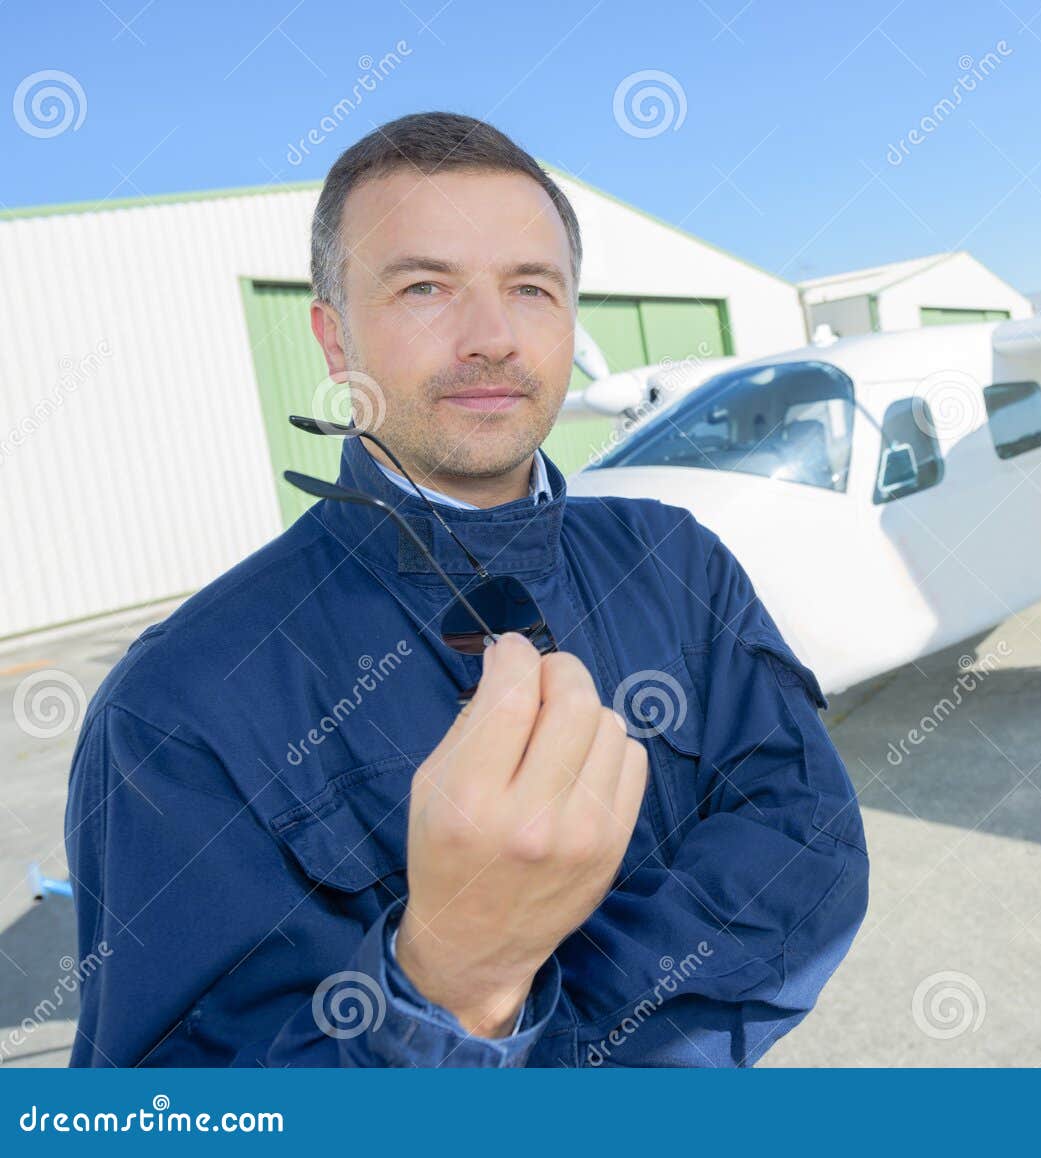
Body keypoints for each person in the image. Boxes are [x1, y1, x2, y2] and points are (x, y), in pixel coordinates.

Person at [64, 111, 869, 1067]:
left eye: (531, 288)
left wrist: (546, 1027)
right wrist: (450, 987)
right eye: (424, 287)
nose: (490, 337)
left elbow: (809, 848)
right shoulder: (180, 706)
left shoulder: (678, 560)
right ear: (334, 339)